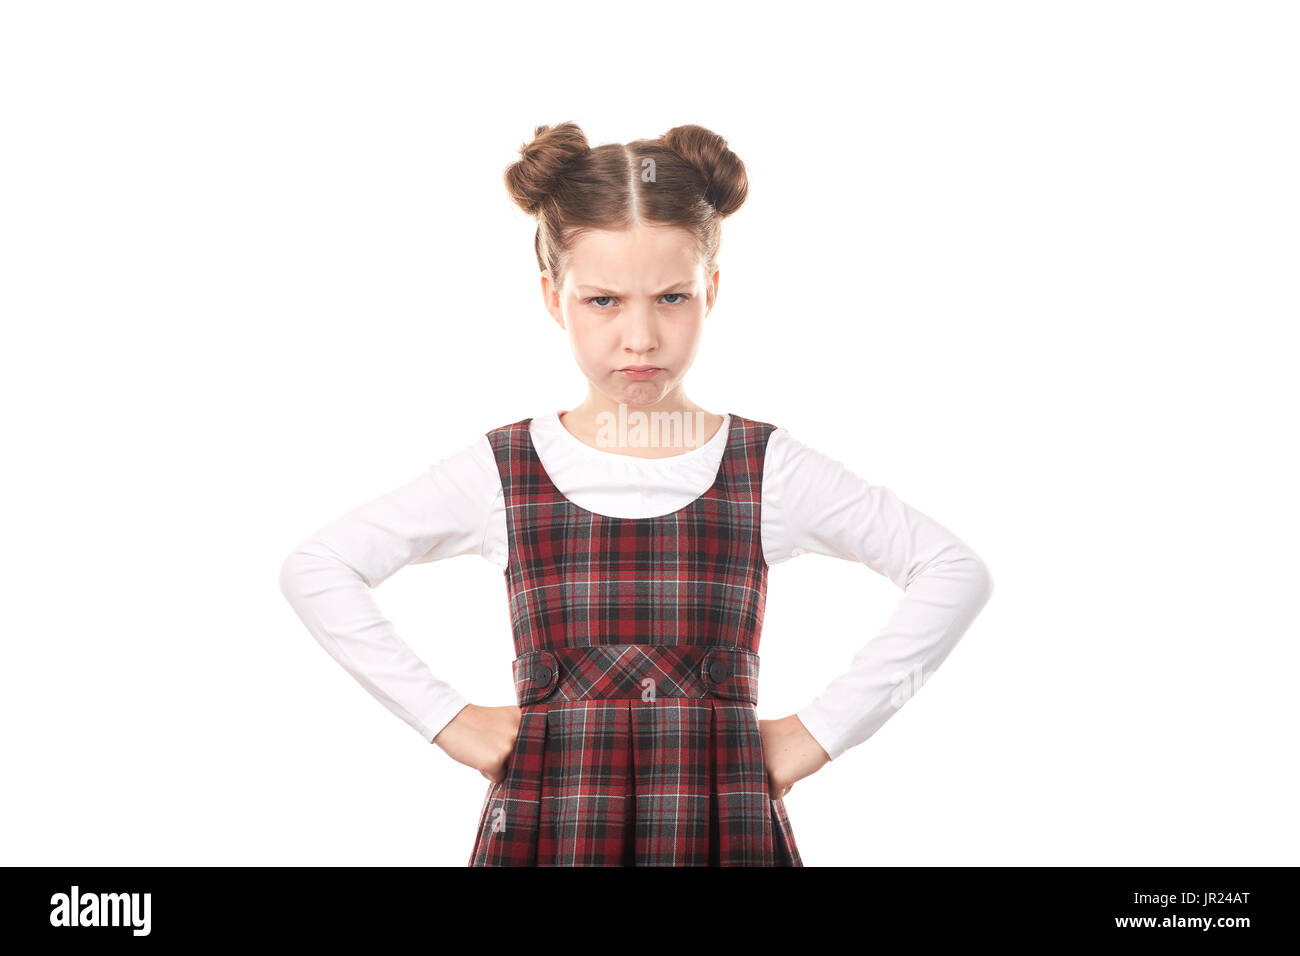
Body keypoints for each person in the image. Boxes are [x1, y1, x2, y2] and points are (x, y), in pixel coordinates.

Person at [279, 121, 994, 866]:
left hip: (722, 829)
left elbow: (951, 571)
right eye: (604, 302)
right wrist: (446, 719)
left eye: (672, 297)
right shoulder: (502, 470)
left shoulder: (765, 468)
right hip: (550, 828)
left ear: (711, 291)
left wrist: (821, 732)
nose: (641, 337)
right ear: (554, 297)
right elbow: (320, 567)